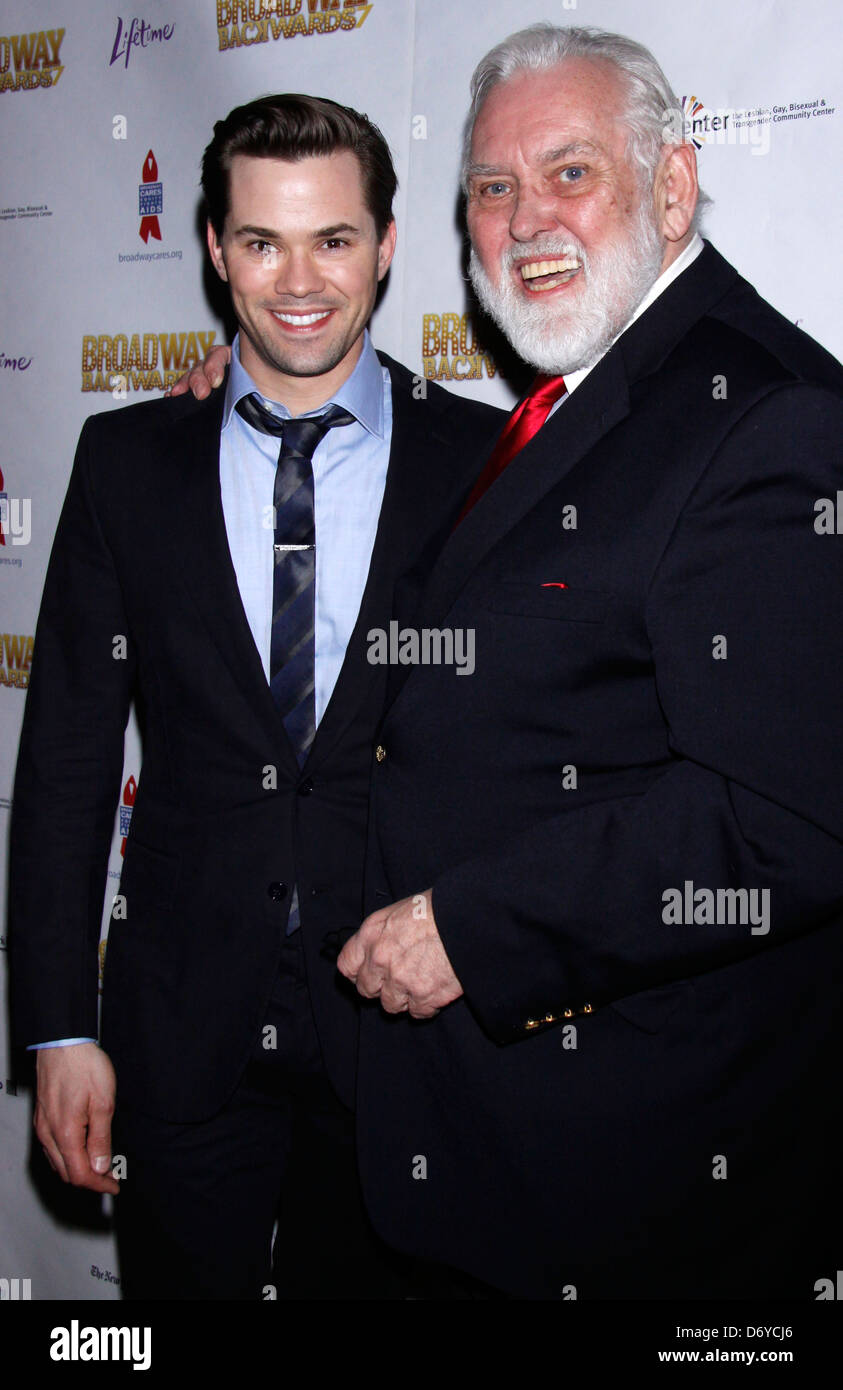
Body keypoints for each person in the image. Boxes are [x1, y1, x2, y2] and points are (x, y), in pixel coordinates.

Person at [331, 25, 843, 1299]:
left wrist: (473, 928)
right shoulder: (580, 394)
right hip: (485, 1157)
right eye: (493, 189)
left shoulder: (769, 413)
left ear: (672, 187)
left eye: (571, 172)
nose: (524, 220)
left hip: (638, 1198)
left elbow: (788, 819)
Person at [9, 93, 501, 1300]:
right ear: (218, 252)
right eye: (264, 241)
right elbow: (69, 761)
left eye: (333, 239)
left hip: (409, 1034)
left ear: (387, 246)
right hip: (182, 1031)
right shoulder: (128, 462)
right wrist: (59, 1028)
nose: (300, 280)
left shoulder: (485, 464)